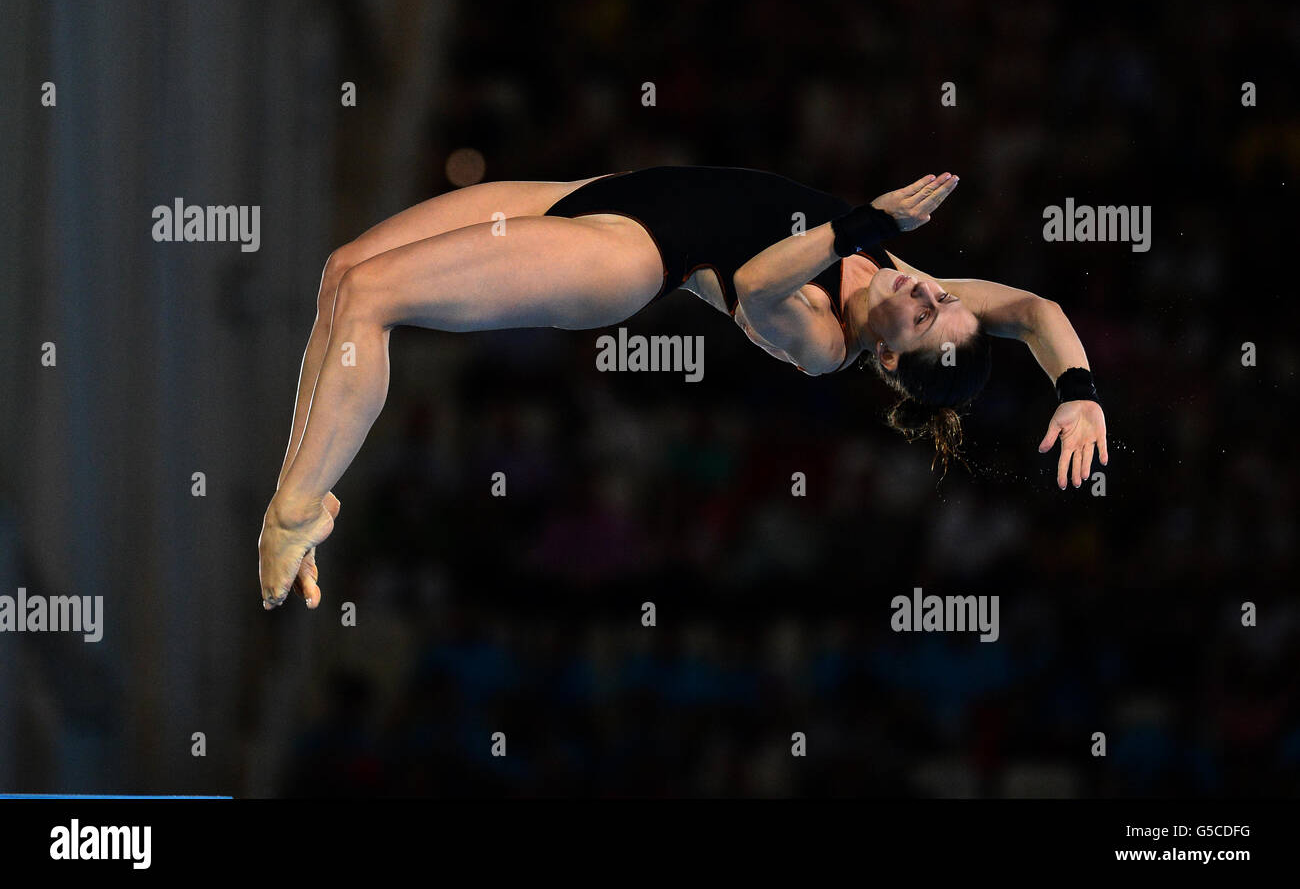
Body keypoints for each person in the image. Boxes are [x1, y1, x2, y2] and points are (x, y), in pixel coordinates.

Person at [259, 166, 1107, 609]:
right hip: (609, 192)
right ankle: (305, 489)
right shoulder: (900, 275)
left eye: (924, 315)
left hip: (623, 253)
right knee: (345, 272)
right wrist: (1078, 390)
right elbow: (1036, 308)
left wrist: (868, 225)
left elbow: (766, 277)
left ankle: (299, 510)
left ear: (889, 359)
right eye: (940, 295)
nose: (925, 292)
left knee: (373, 301)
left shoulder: (823, 340)